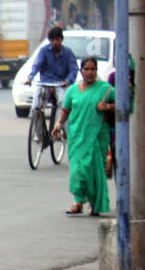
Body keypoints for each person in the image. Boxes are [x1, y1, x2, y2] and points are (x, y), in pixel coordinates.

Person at [53, 56, 115, 216]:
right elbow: (65, 110)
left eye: (92, 69)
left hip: (96, 136)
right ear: (81, 71)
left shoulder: (105, 89)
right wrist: (58, 124)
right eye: (86, 69)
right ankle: (78, 201)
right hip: (76, 136)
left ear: (96, 70)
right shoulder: (73, 90)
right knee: (77, 170)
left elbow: (123, 103)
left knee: (93, 171)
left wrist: (106, 106)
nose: (89, 72)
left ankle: (94, 204)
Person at [25, 26, 78, 118]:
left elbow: (73, 69)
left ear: (61, 40)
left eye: (57, 40)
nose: (54, 42)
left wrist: (67, 81)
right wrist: (30, 78)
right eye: (52, 40)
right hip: (45, 82)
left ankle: (59, 127)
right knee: (37, 102)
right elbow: (37, 65)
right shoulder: (44, 51)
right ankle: (37, 126)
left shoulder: (68, 53)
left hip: (60, 84)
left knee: (62, 101)